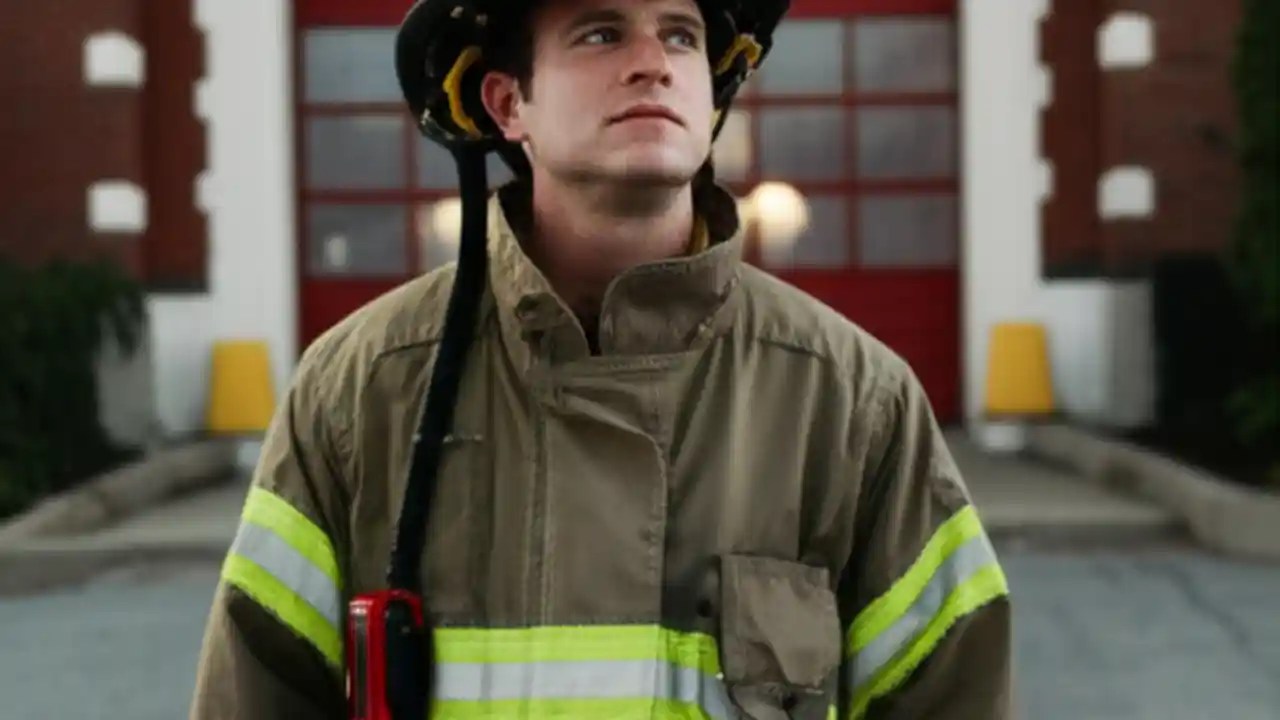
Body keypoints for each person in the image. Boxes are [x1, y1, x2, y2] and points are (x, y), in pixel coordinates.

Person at [190, 0, 1012, 718]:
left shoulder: (851, 400)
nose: (653, 63)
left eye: (681, 35)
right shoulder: (360, 389)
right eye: (601, 33)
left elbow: (949, 696)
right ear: (507, 103)